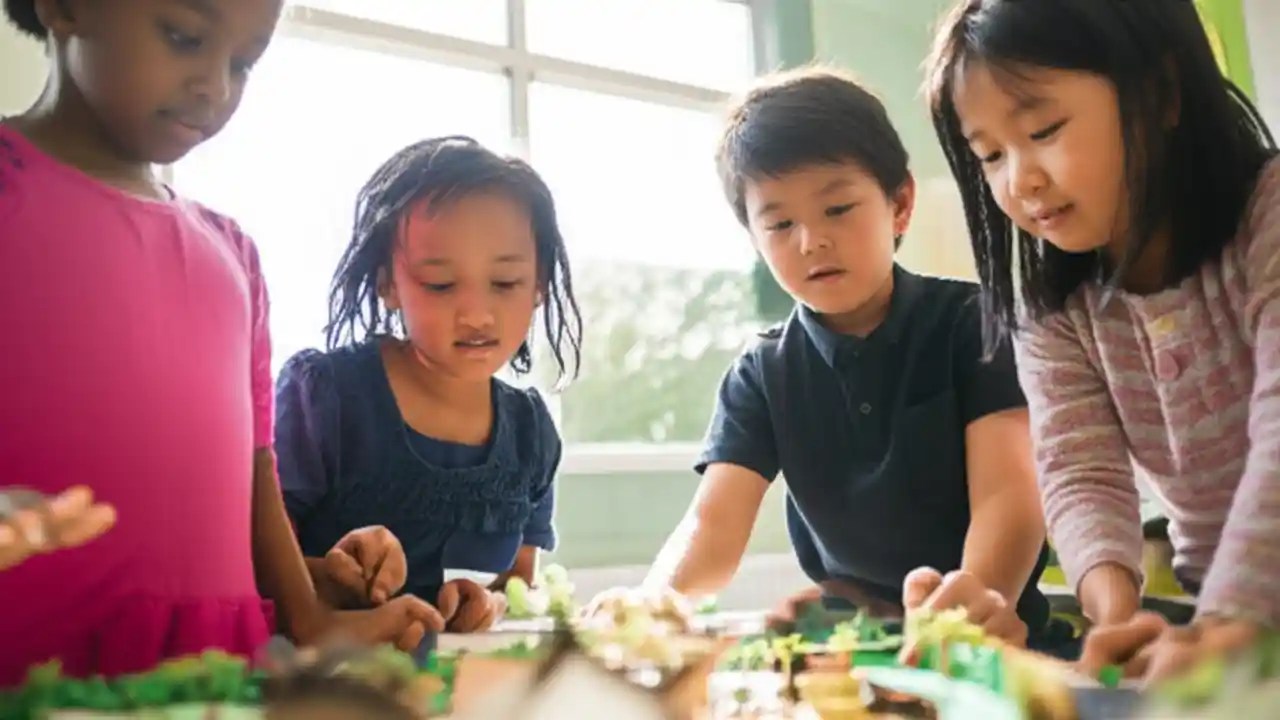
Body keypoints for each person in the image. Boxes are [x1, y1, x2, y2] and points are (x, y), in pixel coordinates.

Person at [0, 0, 442, 684]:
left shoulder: (232, 253)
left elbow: (254, 466)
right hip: (32, 657)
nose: (215, 86)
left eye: (243, 62)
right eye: (183, 37)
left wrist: (307, 608)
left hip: (218, 668)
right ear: (64, 6)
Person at [634, 67, 1052, 651]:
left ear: (899, 204)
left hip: (991, 633)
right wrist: (652, 604)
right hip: (850, 645)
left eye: (837, 209)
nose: (811, 241)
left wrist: (969, 609)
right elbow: (712, 526)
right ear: (754, 238)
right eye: (780, 223)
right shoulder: (762, 373)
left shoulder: (971, 323)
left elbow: (1009, 493)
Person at [924, 0, 1278, 682]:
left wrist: (1234, 621)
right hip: (1225, 625)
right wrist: (1118, 622)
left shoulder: (1268, 214)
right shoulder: (1057, 311)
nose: (1019, 180)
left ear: (1161, 94)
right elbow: (1081, 474)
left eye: (1044, 129)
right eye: (990, 155)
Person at [274, 136, 583, 632]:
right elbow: (248, 568)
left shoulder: (530, 433)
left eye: (505, 283)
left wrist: (484, 602)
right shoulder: (326, 397)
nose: (478, 315)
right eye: (440, 285)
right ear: (387, 283)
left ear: (540, 284)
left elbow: (517, 584)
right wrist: (332, 577)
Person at [0, 487, 115, 572]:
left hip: (23, 513)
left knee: (84, 499)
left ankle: (46, 526)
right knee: (9, 537)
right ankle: (44, 530)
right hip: (29, 529)